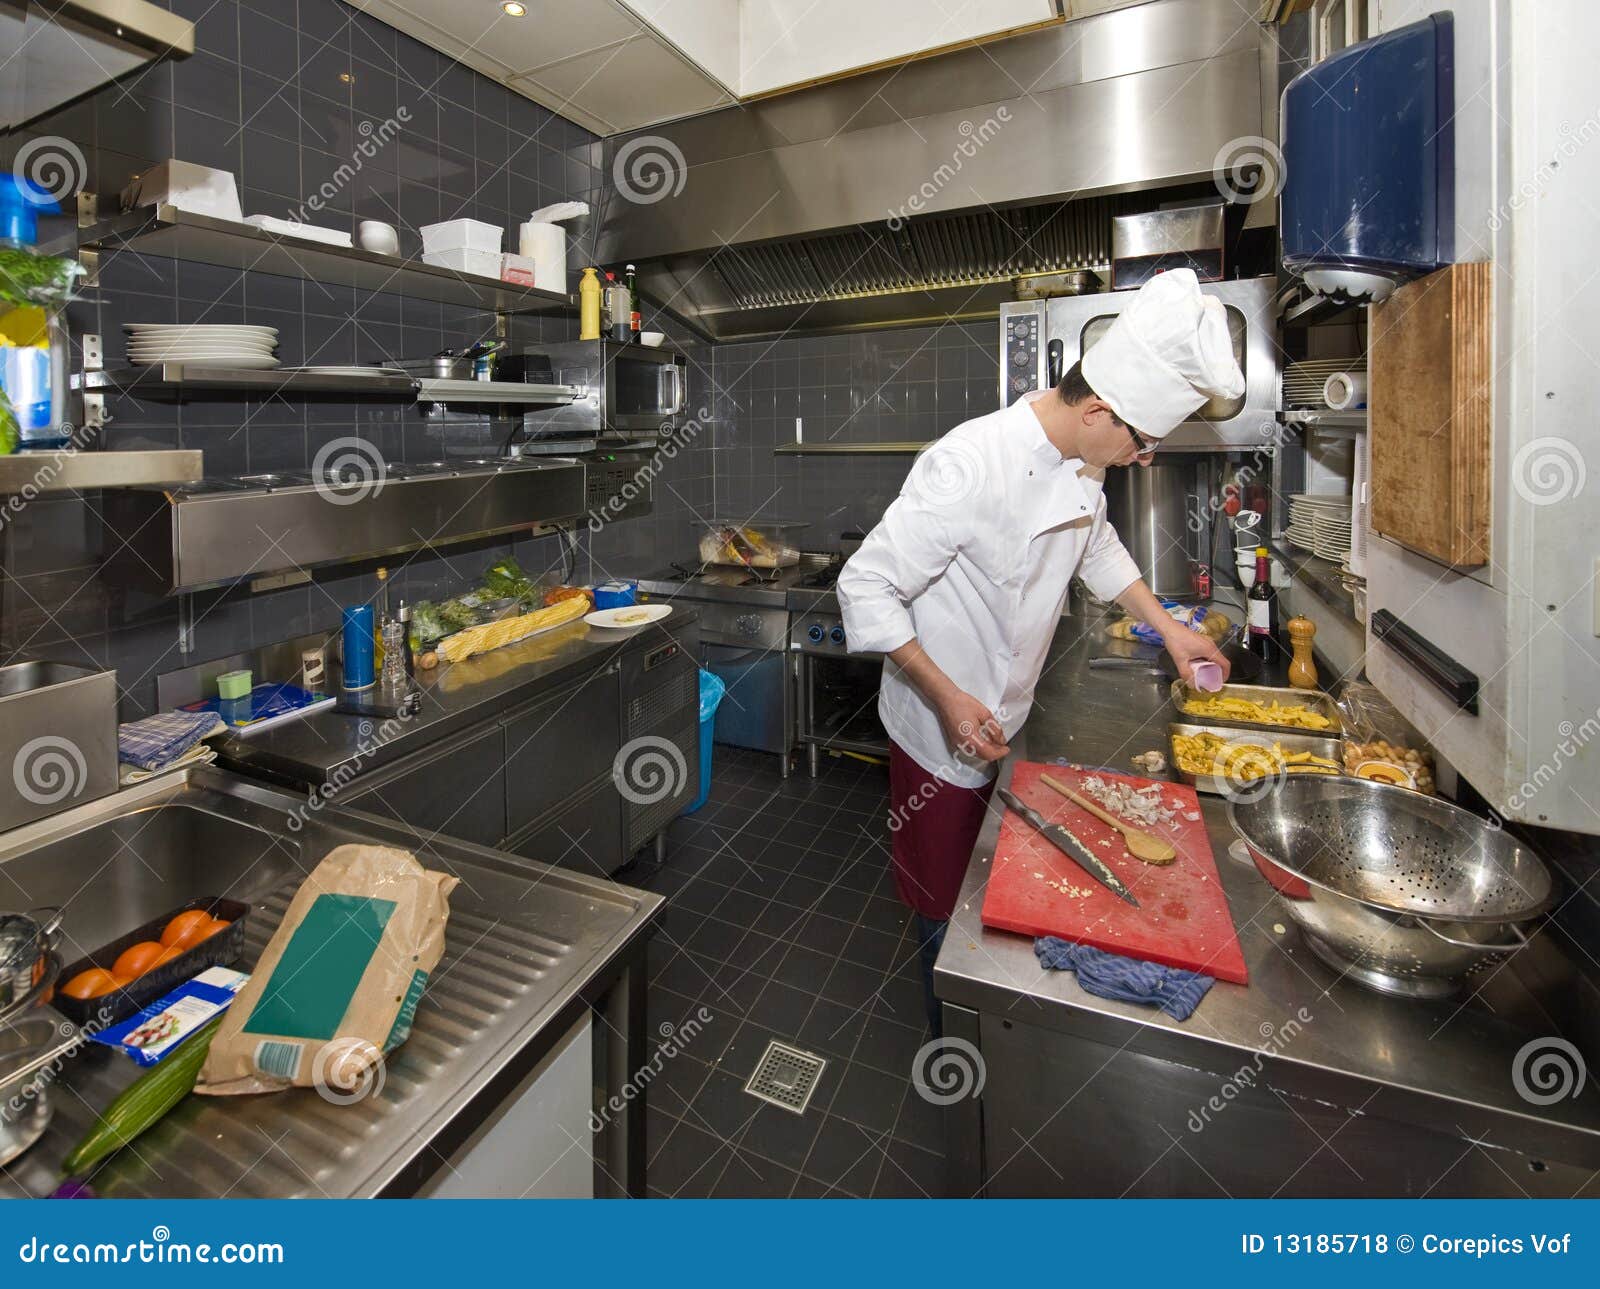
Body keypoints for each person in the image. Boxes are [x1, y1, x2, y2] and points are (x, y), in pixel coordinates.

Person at [836, 269, 1245, 1033]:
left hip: (1001, 717)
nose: (1142, 458)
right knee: (941, 904)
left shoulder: (1082, 462)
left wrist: (1171, 626)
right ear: (1097, 411)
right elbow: (864, 589)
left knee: (987, 893)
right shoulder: (971, 464)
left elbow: (1098, 547)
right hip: (938, 733)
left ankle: (977, 1012)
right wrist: (947, 695)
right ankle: (947, 1024)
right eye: (1143, 442)